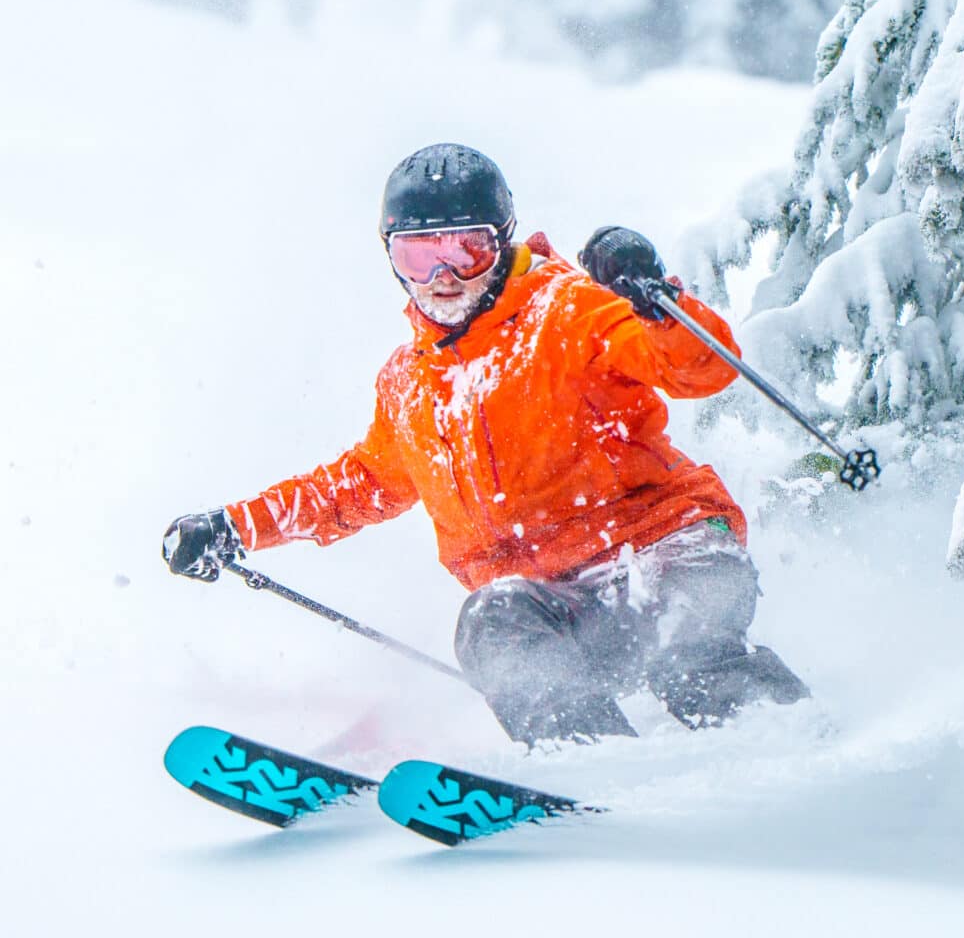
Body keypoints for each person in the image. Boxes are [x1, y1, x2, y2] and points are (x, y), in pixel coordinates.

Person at [162, 142, 808, 745]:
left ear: (499, 246)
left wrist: (654, 304)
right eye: (418, 256)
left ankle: (785, 740)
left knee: (689, 658)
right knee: (491, 622)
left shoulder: (568, 310)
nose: (442, 275)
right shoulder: (411, 382)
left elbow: (699, 370)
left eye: (465, 251)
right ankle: (591, 765)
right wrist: (235, 528)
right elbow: (359, 484)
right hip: (563, 607)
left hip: (669, 549)